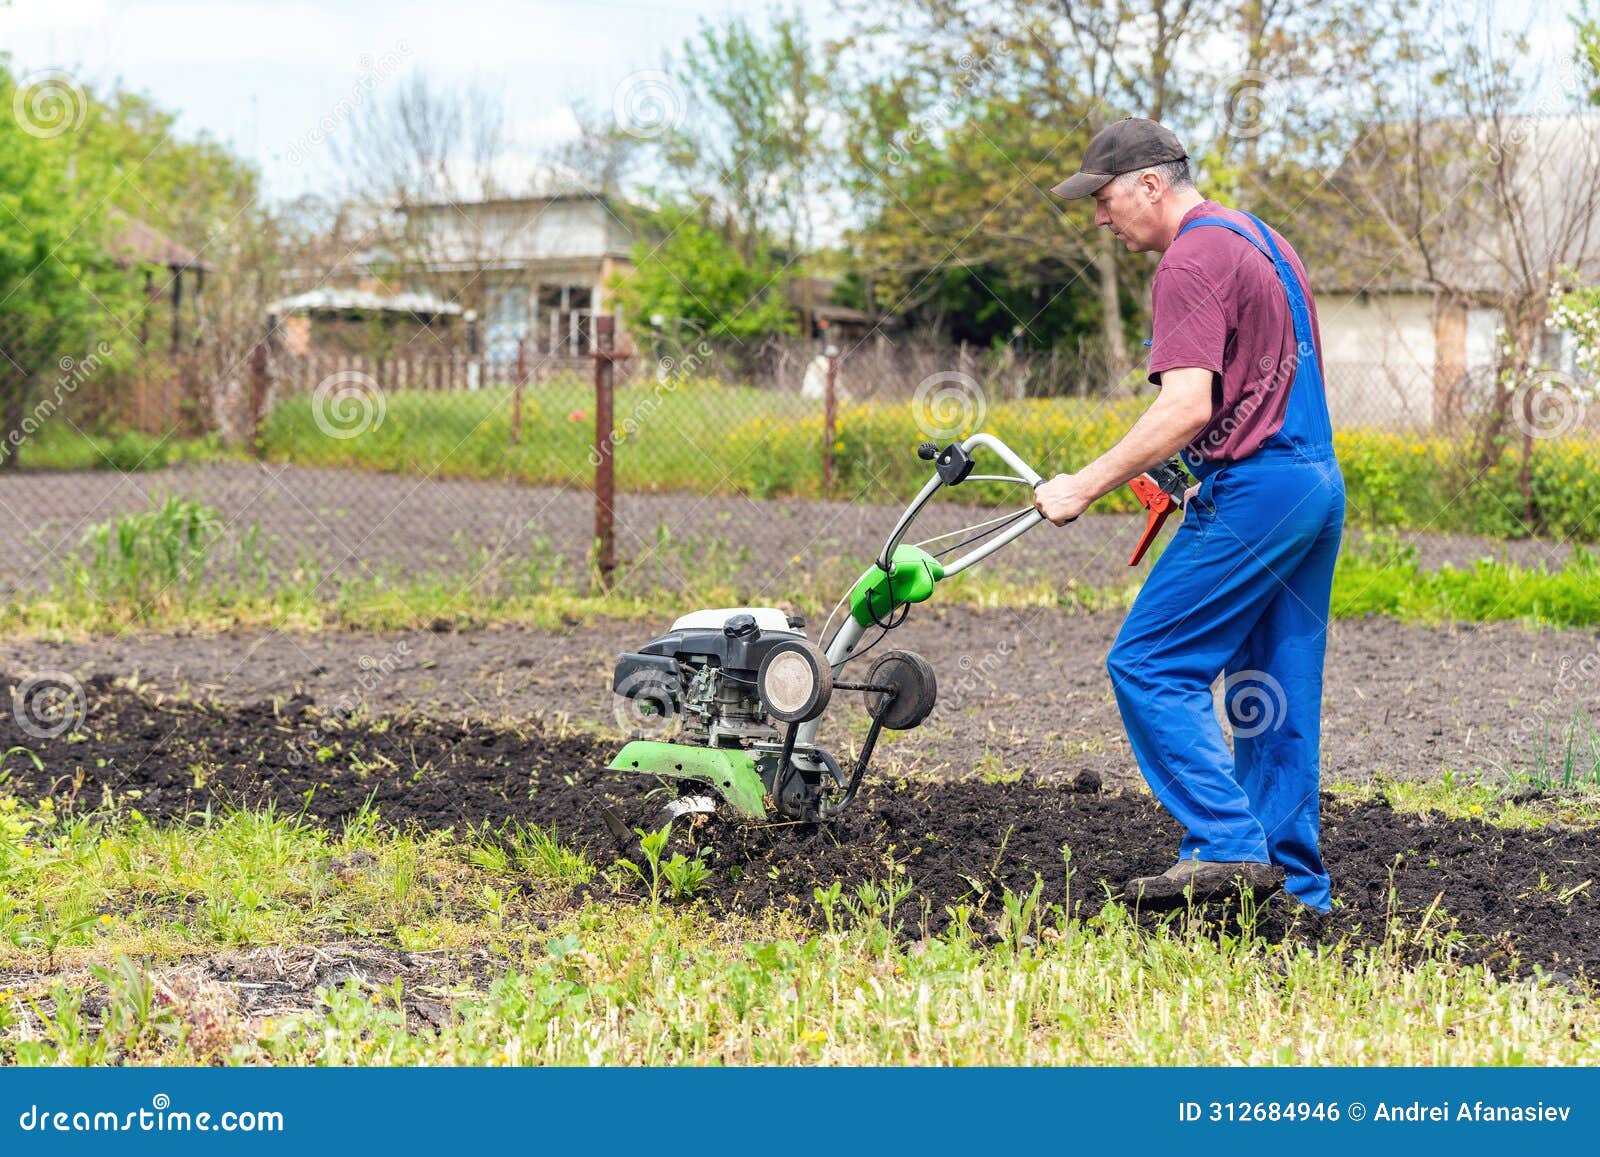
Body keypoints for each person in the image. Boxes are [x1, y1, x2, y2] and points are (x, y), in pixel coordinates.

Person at [1032, 118, 1346, 912]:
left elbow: (1185, 403)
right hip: (1312, 482)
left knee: (1148, 663)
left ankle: (1225, 845)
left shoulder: (1189, 257)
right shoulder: (1260, 239)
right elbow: (1251, 387)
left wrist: (1083, 485)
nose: (1101, 218)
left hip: (1260, 491)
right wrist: (1197, 467)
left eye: (1104, 199)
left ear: (1149, 183)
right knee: (1273, 690)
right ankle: (1296, 890)